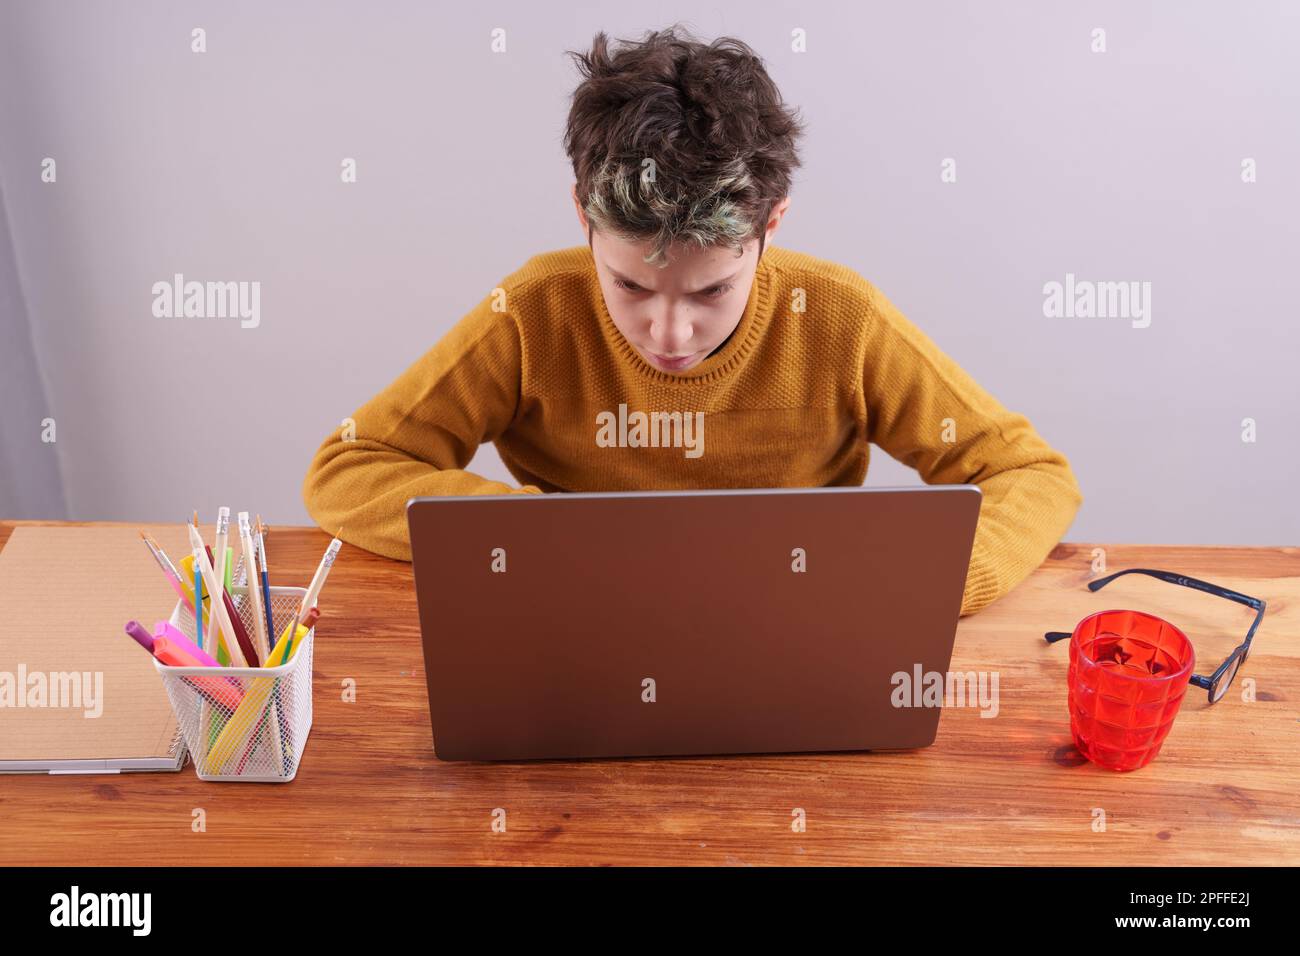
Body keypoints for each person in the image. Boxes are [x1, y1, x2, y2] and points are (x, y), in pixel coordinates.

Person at [302, 25, 1083, 616]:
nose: (669, 336)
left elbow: (1032, 475)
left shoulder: (841, 319)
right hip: (582, 619)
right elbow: (348, 467)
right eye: (631, 287)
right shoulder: (534, 312)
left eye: (710, 293)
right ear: (582, 217)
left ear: (770, 227)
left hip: (799, 624)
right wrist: (536, 538)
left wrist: (916, 585)